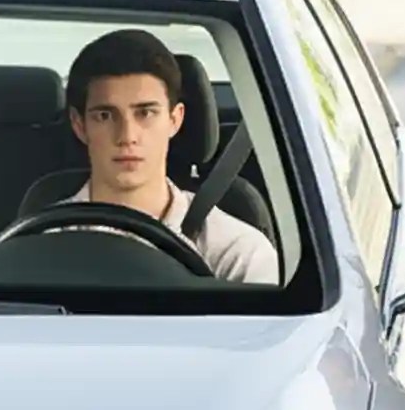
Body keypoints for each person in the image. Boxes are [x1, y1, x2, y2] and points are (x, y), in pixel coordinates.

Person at [61, 28, 279, 285]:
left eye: (145, 113)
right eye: (105, 116)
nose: (127, 136)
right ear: (79, 125)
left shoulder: (236, 254)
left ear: (175, 120)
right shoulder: (40, 245)